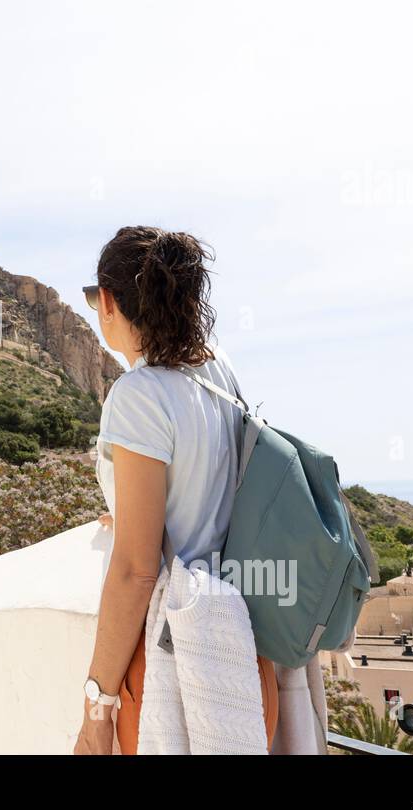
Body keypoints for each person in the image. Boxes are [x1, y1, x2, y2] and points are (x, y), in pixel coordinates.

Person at [72, 226, 278, 755]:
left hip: (173, 665)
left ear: (110, 301)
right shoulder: (217, 369)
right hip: (244, 657)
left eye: (95, 299)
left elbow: (136, 570)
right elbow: (211, 482)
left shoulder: (139, 395)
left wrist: (98, 706)